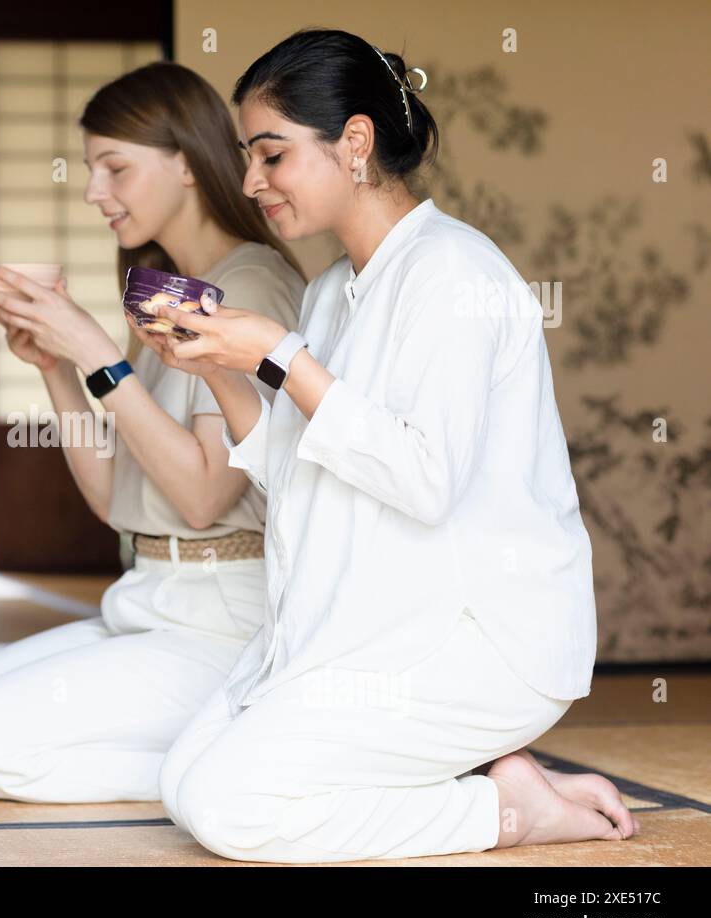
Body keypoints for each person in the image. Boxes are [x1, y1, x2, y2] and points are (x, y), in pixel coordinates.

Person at [135, 28, 638, 862]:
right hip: (363, 624)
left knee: (230, 806)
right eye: (247, 158)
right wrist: (218, 365)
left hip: (473, 633)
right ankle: (489, 776)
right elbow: (296, 470)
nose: (252, 183)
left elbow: (422, 477)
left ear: (356, 143)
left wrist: (276, 352)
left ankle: (509, 812)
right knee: (185, 784)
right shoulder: (336, 290)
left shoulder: (455, 275)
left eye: (272, 155)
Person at [0, 61, 306, 803]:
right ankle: (212, 758)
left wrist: (93, 346)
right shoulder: (166, 287)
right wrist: (57, 367)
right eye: (92, 169)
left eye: (115, 168)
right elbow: (114, 500)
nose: (96, 191)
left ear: (187, 164)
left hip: (224, 618)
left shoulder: (249, 287)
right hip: (151, 598)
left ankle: (224, 770)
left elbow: (201, 497)